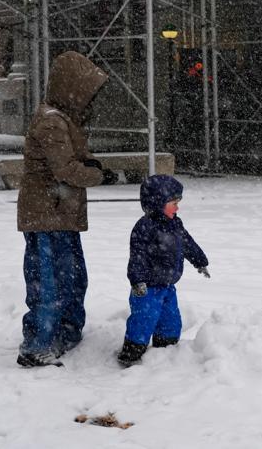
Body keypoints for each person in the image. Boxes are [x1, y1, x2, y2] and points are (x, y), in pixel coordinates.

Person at [16, 51, 118, 368]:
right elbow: (65, 169)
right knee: (50, 283)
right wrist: (98, 175)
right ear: (71, 88)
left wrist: (90, 165)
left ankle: (66, 331)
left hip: (60, 214)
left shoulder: (62, 119)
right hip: (47, 216)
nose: (89, 102)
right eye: (86, 93)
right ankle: (39, 343)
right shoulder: (51, 122)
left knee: (72, 278)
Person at [117, 174, 210, 367]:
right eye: (173, 203)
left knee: (171, 320)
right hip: (147, 288)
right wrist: (137, 280)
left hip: (167, 285)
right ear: (158, 203)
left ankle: (166, 349)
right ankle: (131, 353)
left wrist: (200, 261)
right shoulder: (144, 227)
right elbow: (138, 256)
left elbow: (187, 244)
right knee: (143, 320)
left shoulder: (175, 223)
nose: (177, 207)